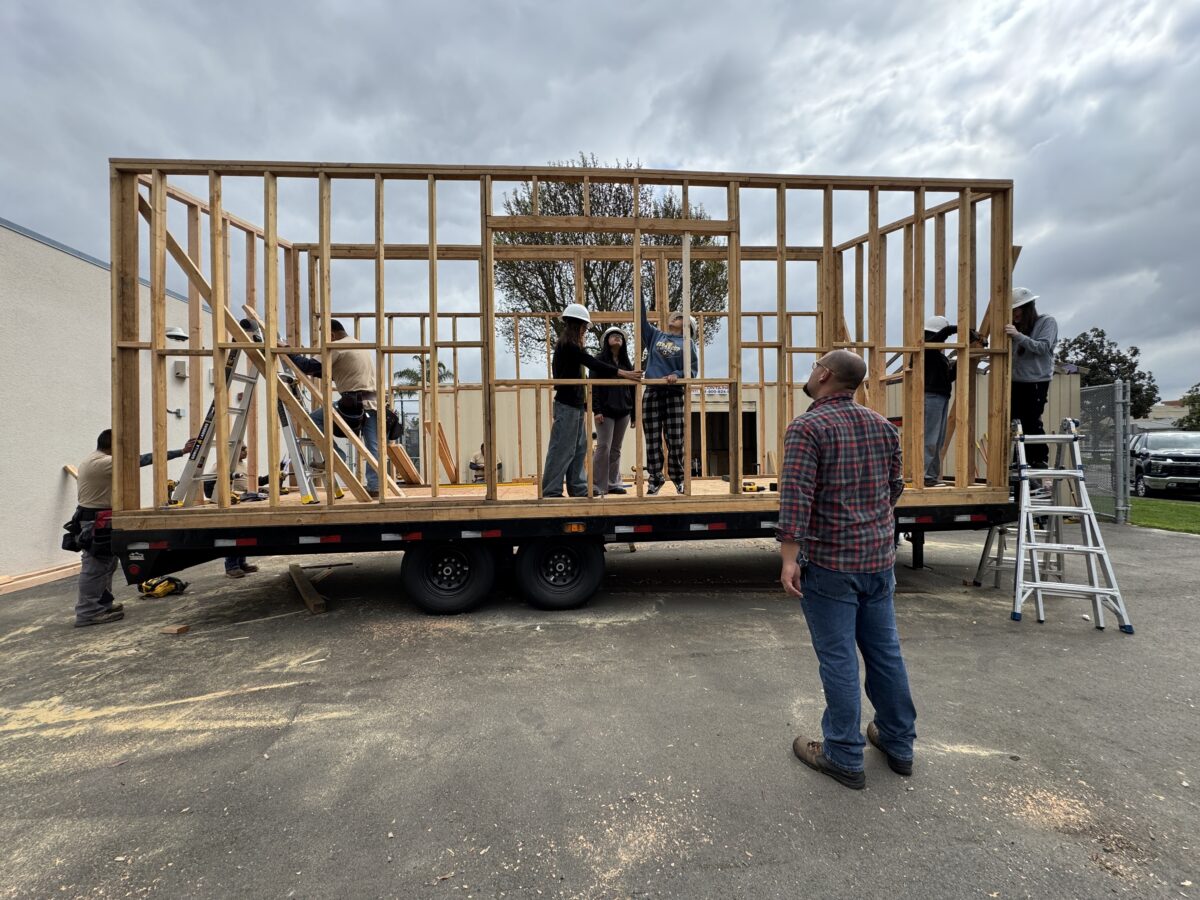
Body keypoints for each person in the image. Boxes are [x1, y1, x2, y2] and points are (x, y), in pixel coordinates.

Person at [778, 350, 915, 790]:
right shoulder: (882, 426)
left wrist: (788, 558)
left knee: (838, 659)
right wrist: (868, 520)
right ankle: (898, 742)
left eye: (815, 366)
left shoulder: (807, 427)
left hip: (831, 563)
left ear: (824, 374)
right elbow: (894, 487)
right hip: (877, 560)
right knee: (885, 653)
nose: (811, 372)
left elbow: (796, 498)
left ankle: (842, 754)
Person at [72, 429, 194, 627]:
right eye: (122, 446)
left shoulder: (96, 459)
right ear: (113, 446)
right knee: (95, 567)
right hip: (95, 520)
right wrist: (181, 452)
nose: (126, 451)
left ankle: (101, 605)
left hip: (98, 518)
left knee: (107, 565)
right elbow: (141, 460)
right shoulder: (103, 462)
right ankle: (88, 612)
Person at [542, 305, 641, 498]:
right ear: (576, 325)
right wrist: (622, 373)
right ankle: (551, 490)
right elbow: (592, 363)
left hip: (576, 405)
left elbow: (580, 375)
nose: (585, 331)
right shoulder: (567, 346)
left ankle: (578, 487)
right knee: (562, 448)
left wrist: (586, 404)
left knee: (579, 448)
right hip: (566, 405)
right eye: (584, 327)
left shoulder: (574, 347)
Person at [287, 320, 382, 496]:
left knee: (313, 420)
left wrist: (288, 351)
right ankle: (375, 487)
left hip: (354, 402)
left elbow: (309, 367)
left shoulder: (337, 347)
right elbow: (326, 371)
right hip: (374, 403)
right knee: (373, 447)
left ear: (331, 335)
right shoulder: (358, 345)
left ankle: (337, 457)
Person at [639, 294, 699, 495]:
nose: (675, 318)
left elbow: (692, 370)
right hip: (652, 391)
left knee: (675, 438)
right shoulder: (656, 336)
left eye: (680, 317)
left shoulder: (687, 343)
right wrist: (639, 294)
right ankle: (655, 478)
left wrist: (677, 374)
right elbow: (641, 321)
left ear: (687, 327)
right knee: (652, 438)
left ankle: (678, 477)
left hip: (673, 393)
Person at [921, 316, 985, 486]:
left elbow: (948, 377)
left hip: (941, 397)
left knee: (937, 439)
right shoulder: (925, 349)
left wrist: (962, 355)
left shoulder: (939, 356)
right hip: (930, 397)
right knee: (930, 438)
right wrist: (958, 329)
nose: (943, 342)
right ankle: (924, 476)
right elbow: (939, 337)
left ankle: (931, 477)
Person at [1005, 287, 1058, 471]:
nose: (1014, 314)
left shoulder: (1046, 322)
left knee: (1031, 420)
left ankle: (1038, 458)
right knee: (1016, 422)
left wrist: (1017, 336)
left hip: (1036, 381)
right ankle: (1019, 459)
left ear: (1027, 308)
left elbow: (1043, 347)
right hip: (1016, 381)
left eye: (1016, 310)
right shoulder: (1017, 327)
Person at [591, 326, 636, 496]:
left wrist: (634, 415)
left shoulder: (626, 363)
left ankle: (612, 483)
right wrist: (597, 410)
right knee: (603, 447)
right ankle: (596, 485)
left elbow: (633, 389)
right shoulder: (599, 361)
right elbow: (593, 387)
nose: (617, 337)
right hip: (605, 411)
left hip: (623, 411)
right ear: (606, 341)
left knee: (616, 448)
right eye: (613, 335)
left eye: (620, 336)